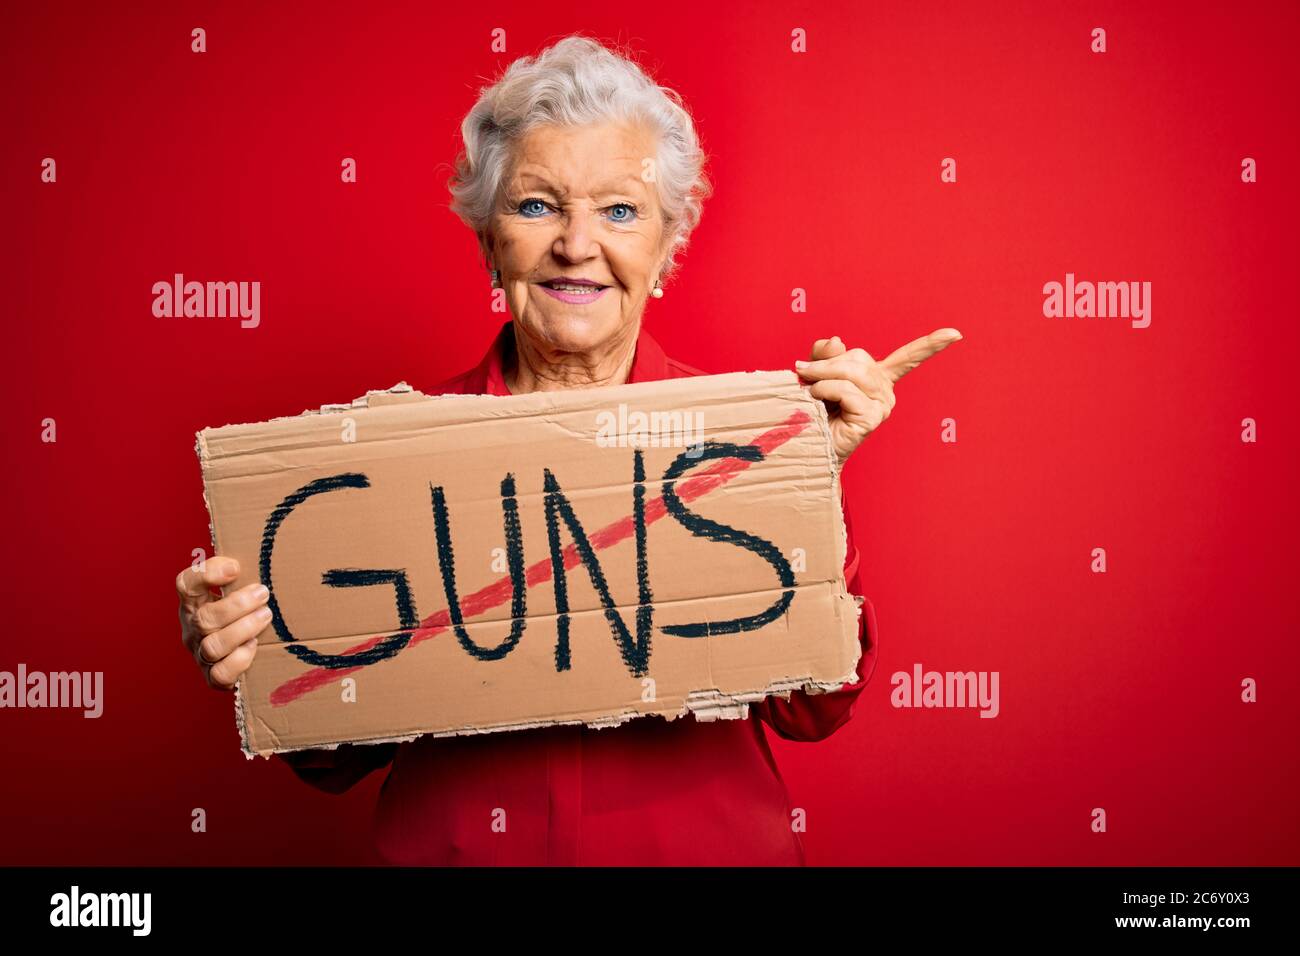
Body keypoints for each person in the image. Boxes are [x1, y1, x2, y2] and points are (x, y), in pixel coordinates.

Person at [174, 34, 961, 865]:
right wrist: (262, 651)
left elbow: (815, 710)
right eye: (537, 205)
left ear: (666, 249)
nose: (577, 245)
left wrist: (807, 480)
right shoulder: (380, 457)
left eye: (620, 211)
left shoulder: (740, 438)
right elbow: (333, 759)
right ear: (488, 242)